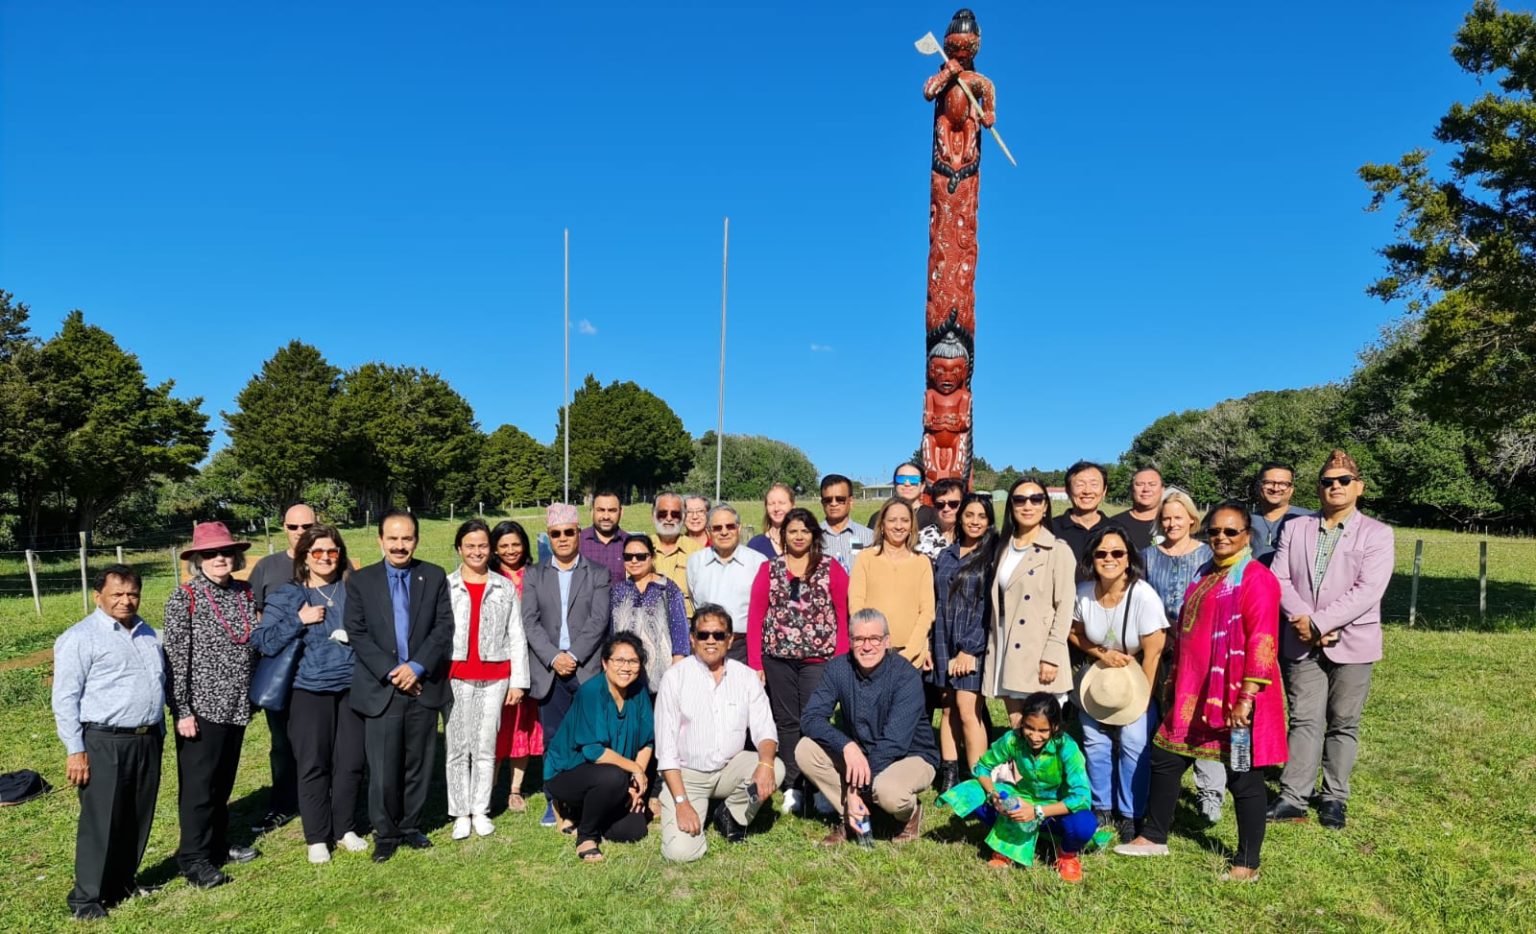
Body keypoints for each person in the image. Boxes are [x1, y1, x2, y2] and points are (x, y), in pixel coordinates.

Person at [1116, 503, 1285, 882]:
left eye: (1231, 532)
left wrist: (1246, 697)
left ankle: (1247, 863)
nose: (1221, 538)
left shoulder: (1256, 578)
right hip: (1195, 692)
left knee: (1243, 776)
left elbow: (1262, 639)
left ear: (1247, 536)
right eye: (1214, 532)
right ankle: (1154, 836)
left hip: (1235, 697)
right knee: (1165, 756)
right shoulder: (1206, 571)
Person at [1268, 450, 1394, 831]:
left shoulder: (1377, 533)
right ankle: (1293, 796)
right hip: (1301, 638)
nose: (1335, 486)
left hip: (1352, 641)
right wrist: (1305, 622)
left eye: (1343, 480)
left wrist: (1321, 623)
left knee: (1343, 721)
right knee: (1304, 719)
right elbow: (1279, 578)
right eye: (1328, 481)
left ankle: (1334, 797)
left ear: (1359, 487)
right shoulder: (1296, 528)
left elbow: (1368, 589)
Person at [52, 565, 164, 920]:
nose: (125, 601)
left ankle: (121, 883)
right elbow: (65, 698)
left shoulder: (149, 633)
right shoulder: (80, 637)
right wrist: (75, 750)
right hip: (104, 741)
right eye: (117, 594)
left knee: (137, 815)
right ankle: (86, 898)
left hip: (147, 738)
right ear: (98, 596)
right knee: (101, 820)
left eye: (132, 594)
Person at [342, 509, 455, 864]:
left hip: (422, 686)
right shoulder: (361, 581)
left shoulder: (433, 576)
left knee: (418, 763)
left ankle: (410, 826)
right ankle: (386, 832)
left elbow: (443, 628)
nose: (400, 545)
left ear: (416, 540)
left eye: (406, 538)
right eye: (392, 538)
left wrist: (417, 667)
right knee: (383, 767)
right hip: (383, 688)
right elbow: (357, 632)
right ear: (380, 540)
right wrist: (394, 671)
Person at [252, 525, 367, 864]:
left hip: (352, 687)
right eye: (317, 552)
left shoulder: (352, 589)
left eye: (332, 551)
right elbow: (262, 640)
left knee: (350, 761)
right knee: (313, 764)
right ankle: (317, 836)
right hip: (309, 689)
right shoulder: (289, 595)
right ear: (304, 557)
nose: (325, 558)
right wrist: (298, 620)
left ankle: (344, 828)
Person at [164, 522, 260, 888]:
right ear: (198, 559)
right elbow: (176, 658)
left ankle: (217, 844)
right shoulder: (185, 597)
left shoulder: (243, 592)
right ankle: (193, 858)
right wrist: (182, 710)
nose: (220, 558)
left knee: (223, 781)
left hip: (237, 704)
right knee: (199, 787)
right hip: (202, 707)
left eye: (225, 552)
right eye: (211, 553)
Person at [797, 609, 939, 846]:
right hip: (862, 752)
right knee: (805, 750)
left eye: (875, 639)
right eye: (859, 639)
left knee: (889, 792)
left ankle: (910, 813)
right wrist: (846, 745)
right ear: (850, 641)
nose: (867, 646)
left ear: (887, 641)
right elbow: (811, 718)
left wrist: (855, 790)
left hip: (910, 755)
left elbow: (893, 743)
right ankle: (851, 817)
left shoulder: (905, 676)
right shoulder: (838, 668)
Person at [655, 605, 784, 862]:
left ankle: (731, 814)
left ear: (730, 639)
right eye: (703, 635)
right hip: (687, 776)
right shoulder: (674, 678)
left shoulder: (746, 677)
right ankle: (683, 805)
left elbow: (765, 729)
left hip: (729, 768)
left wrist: (765, 764)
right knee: (681, 853)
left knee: (775, 767)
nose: (711, 640)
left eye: (718, 634)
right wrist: (681, 802)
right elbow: (666, 750)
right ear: (692, 639)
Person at [746, 507, 850, 815]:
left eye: (805, 531)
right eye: (792, 531)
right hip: (778, 659)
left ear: (814, 535)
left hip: (819, 660)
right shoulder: (769, 569)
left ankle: (818, 785)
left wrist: (840, 659)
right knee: (787, 721)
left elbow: (843, 614)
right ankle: (793, 784)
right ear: (783, 535)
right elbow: (756, 616)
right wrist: (756, 663)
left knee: (815, 719)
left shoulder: (831, 568)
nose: (799, 536)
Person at [1068, 525, 1167, 842]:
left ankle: (1131, 812)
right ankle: (1102, 806)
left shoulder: (1143, 596)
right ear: (1092, 558)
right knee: (1093, 740)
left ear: (1128, 559)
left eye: (1116, 552)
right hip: (1100, 682)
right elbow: (1074, 632)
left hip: (1136, 680)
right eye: (1101, 553)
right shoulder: (1084, 593)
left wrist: (1142, 702)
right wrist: (1101, 653)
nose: (1108, 558)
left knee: (1133, 741)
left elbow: (1153, 653)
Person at [937, 692, 1098, 881]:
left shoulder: (1066, 747)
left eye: (1043, 731)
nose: (1035, 736)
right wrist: (994, 795)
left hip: (1054, 811)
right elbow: (982, 767)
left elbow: (1081, 797)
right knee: (969, 791)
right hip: (1020, 802)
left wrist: (1037, 811)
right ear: (1022, 722)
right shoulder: (1013, 739)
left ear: (1054, 727)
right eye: (1029, 728)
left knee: (1085, 823)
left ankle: (1066, 855)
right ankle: (1007, 843)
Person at [523, 502, 613, 828]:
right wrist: (554, 657)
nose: (562, 538)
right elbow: (529, 621)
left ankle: (589, 796)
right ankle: (555, 801)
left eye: (568, 532)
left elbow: (598, 621)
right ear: (549, 536)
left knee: (591, 735)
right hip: (549, 670)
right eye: (556, 533)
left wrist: (572, 656)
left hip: (585, 667)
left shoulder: (598, 574)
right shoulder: (535, 574)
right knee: (553, 737)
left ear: (578, 533)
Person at [1141, 489, 1223, 824]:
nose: (1172, 523)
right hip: (1160, 646)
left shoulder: (1208, 555)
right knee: (1163, 717)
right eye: (1166, 518)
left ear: (1192, 519)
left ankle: (1210, 793)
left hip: (1201, 648)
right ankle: (1159, 790)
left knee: (1203, 717)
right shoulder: (1148, 556)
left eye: (1178, 517)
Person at [445, 520, 529, 841]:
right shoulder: (447, 586)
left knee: (485, 746)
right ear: (459, 548)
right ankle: (460, 812)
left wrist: (518, 681)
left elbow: (516, 635)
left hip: (495, 677)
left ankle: (480, 809)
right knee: (457, 747)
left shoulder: (503, 587)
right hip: (456, 676)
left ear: (490, 549)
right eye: (470, 546)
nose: (477, 551)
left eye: (482, 546)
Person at [542, 633, 656, 861]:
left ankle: (580, 813)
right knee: (612, 777)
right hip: (568, 773)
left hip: (614, 775)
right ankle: (586, 836)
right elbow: (593, 751)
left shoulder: (639, 692)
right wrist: (633, 769)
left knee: (633, 830)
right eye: (619, 660)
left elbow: (647, 742)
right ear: (605, 663)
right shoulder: (591, 692)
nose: (626, 667)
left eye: (633, 661)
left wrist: (636, 783)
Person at [244, 502, 314, 836]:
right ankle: (283, 804)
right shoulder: (267, 567)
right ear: (283, 528)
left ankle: (320, 797)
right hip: (280, 670)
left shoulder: (332, 561)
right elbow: (256, 618)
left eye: (307, 526)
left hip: (320, 669)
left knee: (320, 739)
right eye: (293, 526)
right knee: (282, 742)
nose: (300, 532)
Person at [985, 477, 1076, 724]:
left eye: (1036, 499)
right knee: (1016, 724)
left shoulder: (1057, 550)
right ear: (1011, 506)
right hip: (1005, 641)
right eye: (1020, 499)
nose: (1028, 505)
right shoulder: (1002, 547)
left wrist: (1052, 655)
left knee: (1041, 728)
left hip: (1039, 648)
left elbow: (1065, 607)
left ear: (1045, 506)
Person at [928, 492, 996, 791]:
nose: (975, 521)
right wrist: (930, 644)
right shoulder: (946, 555)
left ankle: (981, 779)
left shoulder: (993, 556)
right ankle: (950, 776)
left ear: (989, 521)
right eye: (969, 515)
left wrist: (970, 648)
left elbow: (989, 608)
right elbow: (935, 600)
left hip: (973, 641)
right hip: (943, 639)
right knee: (948, 709)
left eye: (982, 516)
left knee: (969, 711)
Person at [489, 520, 543, 813]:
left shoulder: (535, 575)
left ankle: (515, 789)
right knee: (494, 726)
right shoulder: (488, 576)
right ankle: (488, 788)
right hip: (496, 661)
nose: (511, 550)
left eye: (516, 544)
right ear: (495, 549)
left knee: (521, 724)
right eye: (504, 545)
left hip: (528, 661)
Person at [849, 498, 935, 670]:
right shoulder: (865, 558)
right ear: (882, 524)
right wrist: (871, 644)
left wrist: (910, 652)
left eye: (905, 520)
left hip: (910, 660)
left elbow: (927, 612)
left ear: (912, 526)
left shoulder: (921, 562)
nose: (898, 526)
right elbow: (856, 605)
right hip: (872, 655)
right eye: (892, 520)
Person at [686, 504, 768, 664]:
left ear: (739, 528)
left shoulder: (758, 562)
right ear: (708, 532)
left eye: (730, 526)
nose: (724, 532)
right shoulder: (695, 562)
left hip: (743, 647)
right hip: (705, 644)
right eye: (717, 528)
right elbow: (693, 599)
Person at [610, 533, 689, 691]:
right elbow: (612, 632)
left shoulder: (668, 589)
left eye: (640, 556)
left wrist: (677, 668)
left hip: (663, 675)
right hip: (625, 673)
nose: (634, 561)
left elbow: (680, 632)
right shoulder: (618, 591)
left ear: (652, 557)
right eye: (628, 557)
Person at [1050, 460, 1111, 564]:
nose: (1087, 491)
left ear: (1104, 491)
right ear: (1068, 490)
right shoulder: (1050, 529)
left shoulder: (1116, 529)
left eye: (1094, 484)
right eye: (1080, 485)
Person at [651, 492, 701, 615]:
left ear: (683, 518)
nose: (669, 518)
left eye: (675, 514)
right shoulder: (640, 549)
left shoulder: (697, 552)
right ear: (653, 516)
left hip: (686, 622)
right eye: (663, 514)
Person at [1250, 462, 1309, 565]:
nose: (1275, 489)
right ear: (1258, 486)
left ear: (1291, 490)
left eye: (1283, 484)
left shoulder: (1309, 520)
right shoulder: (1244, 522)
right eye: (1268, 482)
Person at [818, 473, 873, 573]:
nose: (833, 503)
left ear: (850, 501)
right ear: (822, 503)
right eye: (828, 500)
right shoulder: (811, 537)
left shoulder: (869, 537)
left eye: (840, 499)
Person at [581, 490, 630, 586]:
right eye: (601, 510)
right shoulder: (578, 542)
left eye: (612, 510)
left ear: (621, 512)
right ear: (592, 512)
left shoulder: (630, 544)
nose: (606, 516)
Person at [914, 477, 964, 560]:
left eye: (953, 504)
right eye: (940, 505)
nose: (946, 509)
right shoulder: (923, 537)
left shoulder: (971, 536)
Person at [1118, 468, 1165, 552]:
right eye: (1139, 484)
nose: (1146, 489)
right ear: (1131, 489)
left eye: (1152, 484)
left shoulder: (1174, 524)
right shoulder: (1114, 525)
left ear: (1162, 489)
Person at [746, 482, 796, 559]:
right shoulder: (755, 545)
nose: (776, 508)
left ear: (793, 506)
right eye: (771, 504)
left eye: (781, 503)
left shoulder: (803, 543)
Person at [891, 461, 938, 530]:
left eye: (913, 479)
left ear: (922, 486)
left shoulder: (935, 516)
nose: (907, 484)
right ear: (895, 484)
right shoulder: (881, 516)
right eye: (901, 479)